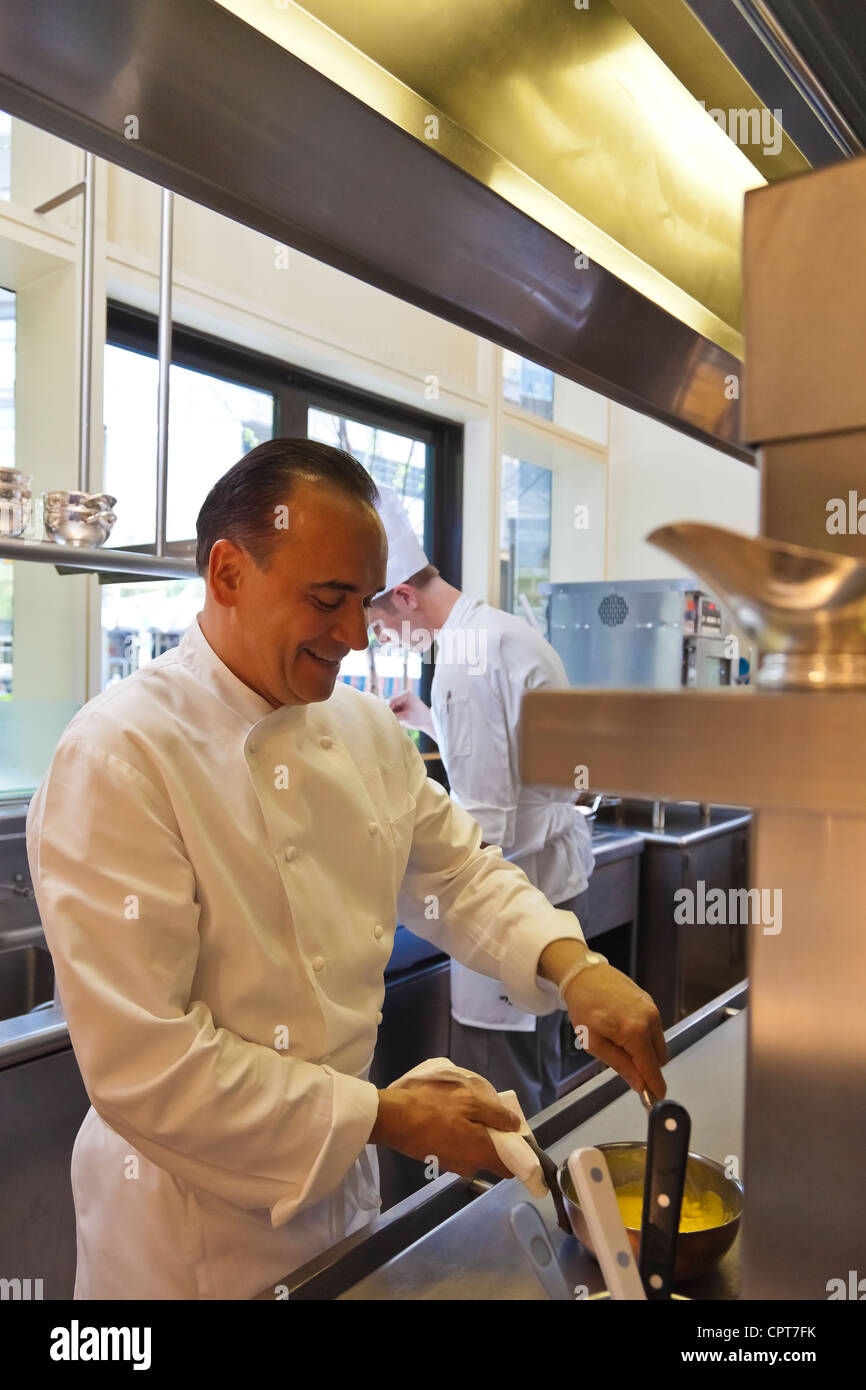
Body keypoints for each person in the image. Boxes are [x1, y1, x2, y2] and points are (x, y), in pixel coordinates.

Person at [27, 439, 666, 1300]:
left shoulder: (364, 730)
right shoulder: (121, 756)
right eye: (327, 600)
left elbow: (459, 873)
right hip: (184, 1242)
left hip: (336, 1198)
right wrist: (388, 1116)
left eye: (364, 603)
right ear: (226, 574)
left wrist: (574, 967)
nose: (357, 637)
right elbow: (150, 1066)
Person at [369, 487, 595, 1115]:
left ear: (406, 596)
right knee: (541, 1070)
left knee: (508, 1099)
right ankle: (549, 1201)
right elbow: (511, 756)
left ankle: (520, 1212)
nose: (384, 639)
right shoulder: (493, 632)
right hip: (553, 876)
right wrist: (429, 718)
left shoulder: (463, 663)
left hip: (519, 889)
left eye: (382, 625)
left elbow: (486, 825)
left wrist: (396, 856)